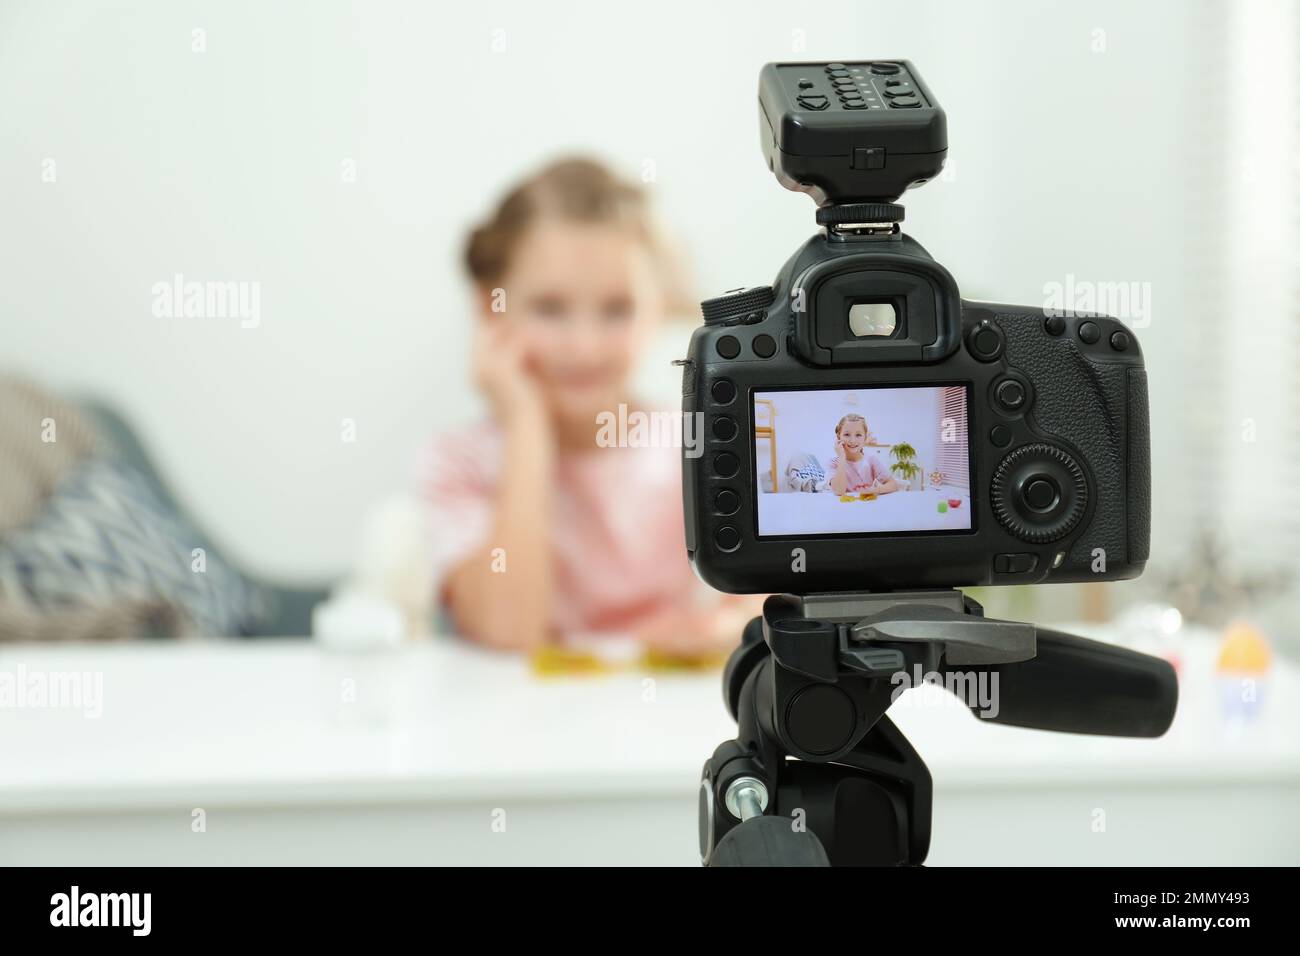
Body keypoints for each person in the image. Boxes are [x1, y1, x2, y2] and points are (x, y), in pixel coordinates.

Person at [419, 157, 757, 653]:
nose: (585, 348)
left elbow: (774, 600)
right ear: (489, 310)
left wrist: (726, 628)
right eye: (550, 309)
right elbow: (507, 631)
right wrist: (525, 426)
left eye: (617, 309)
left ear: (656, 307)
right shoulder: (461, 463)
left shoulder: (692, 445)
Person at [827, 413, 899, 496]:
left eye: (858, 435)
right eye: (847, 435)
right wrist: (842, 457)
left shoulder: (871, 460)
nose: (852, 440)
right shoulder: (833, 463)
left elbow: (893, 484)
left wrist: (876, 490)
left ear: (865, 438)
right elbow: (839, 491)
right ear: (839, 437)